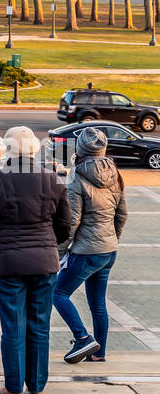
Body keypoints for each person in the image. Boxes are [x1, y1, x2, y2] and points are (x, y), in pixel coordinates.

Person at [0, 126, 71, 394]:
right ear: (34, 149)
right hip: (44, 262)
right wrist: (48, 244)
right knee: (40, 325)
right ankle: (37, 387)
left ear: (8, 149)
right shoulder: (54, 180)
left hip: (7, 263)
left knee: (13, 326)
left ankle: (14, 388)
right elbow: (65, 226)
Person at [53, 127, 128, 364]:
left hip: (86, 251)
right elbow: (122, 214)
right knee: (98, 304)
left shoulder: (77, 175)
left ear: (80, 149)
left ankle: (83, 338)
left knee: (58, 293)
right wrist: (112, 238)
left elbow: (72, 222)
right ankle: (99, 353)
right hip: (108, 251)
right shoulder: (115, 173)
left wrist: (59, 252)